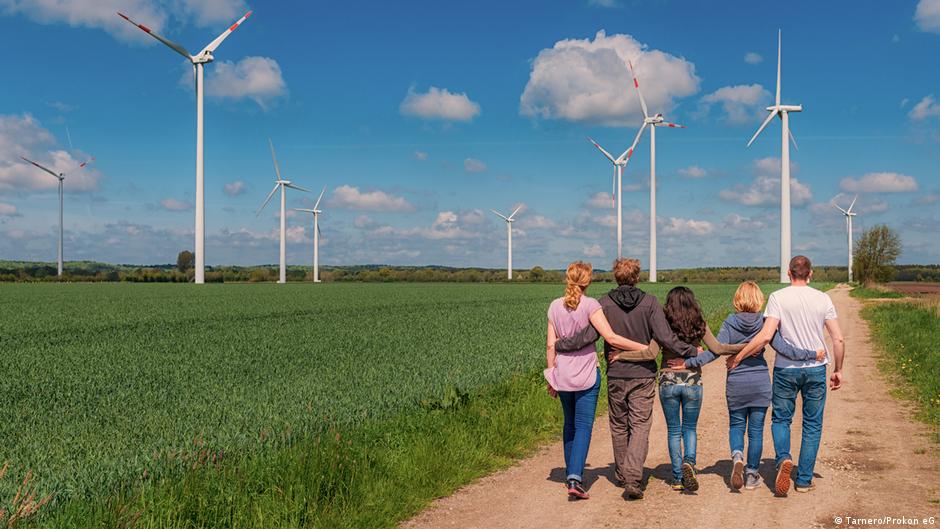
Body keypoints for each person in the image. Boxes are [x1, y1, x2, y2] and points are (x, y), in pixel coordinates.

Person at [555, 258, 703, 500]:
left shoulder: (604, 303)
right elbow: (665, 337)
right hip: (643, 373)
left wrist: (562, 344)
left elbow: (587, 336)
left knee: (619, 424)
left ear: (616, 277)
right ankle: (633, 477)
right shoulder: (650, 302)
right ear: (637, 277)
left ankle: (624, 473)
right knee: (640, 424)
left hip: (616, 372)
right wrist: (690, 350)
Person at [666, 281, 822, 491]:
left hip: (736, 383)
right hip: (760, 382)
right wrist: (811, 354)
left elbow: (715, 351)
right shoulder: (764, 323)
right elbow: (785, 349)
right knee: (756, 431)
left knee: (736, 426)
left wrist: (688, 363)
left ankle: (737, 456)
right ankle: (751, 474)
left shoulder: (730, 322)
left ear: (737, 299)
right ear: (759, 300)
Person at [728, 256, 845, 497]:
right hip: (816, 368)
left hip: (785, 370)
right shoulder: (823, 299)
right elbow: (838, 339)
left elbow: (765, 336)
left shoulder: (778, 298)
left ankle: (783, 458)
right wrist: (838, 370)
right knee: (812, 424)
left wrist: (739, 357)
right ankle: (803, 480)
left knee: (782, 419)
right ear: (810, 274)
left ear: (789, 273)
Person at [545, 261, 653, 500]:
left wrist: (550, 376)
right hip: (585, 374)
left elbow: (550, 345)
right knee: (583, 426)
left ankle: (572, 475)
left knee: (569, 425)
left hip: (562, 375)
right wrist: (644, 348)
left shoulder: (554, 306)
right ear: (588, 281)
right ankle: (575, 477)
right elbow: (611, 336)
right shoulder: (591, 305)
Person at [655, 286, 746, 492]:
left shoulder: (663, 325)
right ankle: (690, 464)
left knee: (673, 430)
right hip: (692, 380)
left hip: (668, 380)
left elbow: (650, 352)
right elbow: (719, 349)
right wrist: (749, 345)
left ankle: (678, 477)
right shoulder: (699, 324)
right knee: (690, 428)